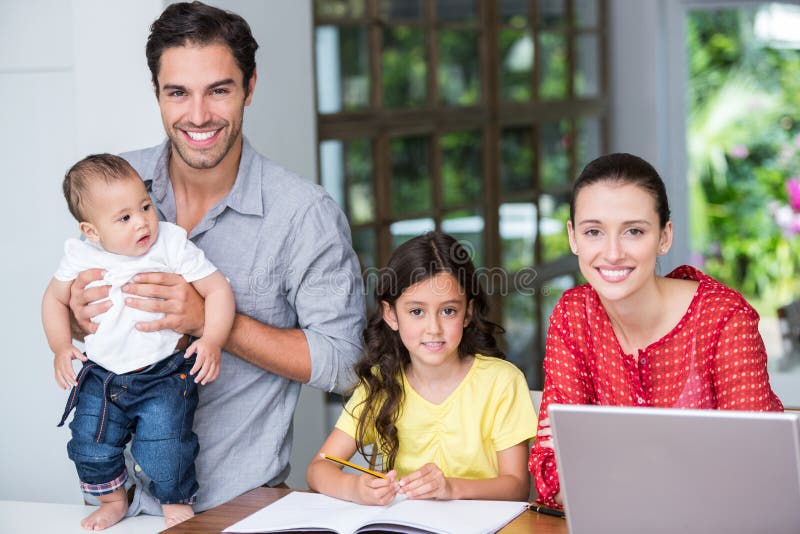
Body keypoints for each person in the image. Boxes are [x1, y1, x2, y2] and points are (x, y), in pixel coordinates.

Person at [66, 1, 365, 518]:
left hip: (238, 510)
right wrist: (75, 313)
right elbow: (78, 318)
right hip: (115, 508)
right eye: (177, 92)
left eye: (219, 90)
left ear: (249, 88)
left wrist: (210, 321)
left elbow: (347, 364)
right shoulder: (114, 187)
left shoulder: (303, 214)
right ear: (157, 93)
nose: (198, 115)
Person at [528, 152, 784, 508]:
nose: (613, 252)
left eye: (634, 231)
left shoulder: (724, 320)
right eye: (593, 232)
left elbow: (756, 469)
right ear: (574, 238)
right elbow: (552, 476)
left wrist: (603, 470)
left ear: (664, 237)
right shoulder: (574, 316)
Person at [42, 154, 235, 529]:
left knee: (165, 445)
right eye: (124, 218)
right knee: (89, 443)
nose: (143, 221)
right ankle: (114, 500)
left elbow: (218, 291)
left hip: (162, 375)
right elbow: (53, 298)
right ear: (92, 231)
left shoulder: (170, 244)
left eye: (145, 206)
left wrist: (212, 339)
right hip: (101, 376)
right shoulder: (80, 255)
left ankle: (176, 498)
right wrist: (60, 346)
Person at [307, 232, 536, 504]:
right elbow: (318, 469)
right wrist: (355, 488)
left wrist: (450, 488)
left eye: (448, 311)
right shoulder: (380, 384)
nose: (433, 328)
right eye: (416, 311)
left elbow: (517, 486)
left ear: (468, 313)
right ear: (391, 315)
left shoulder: (502, 381)